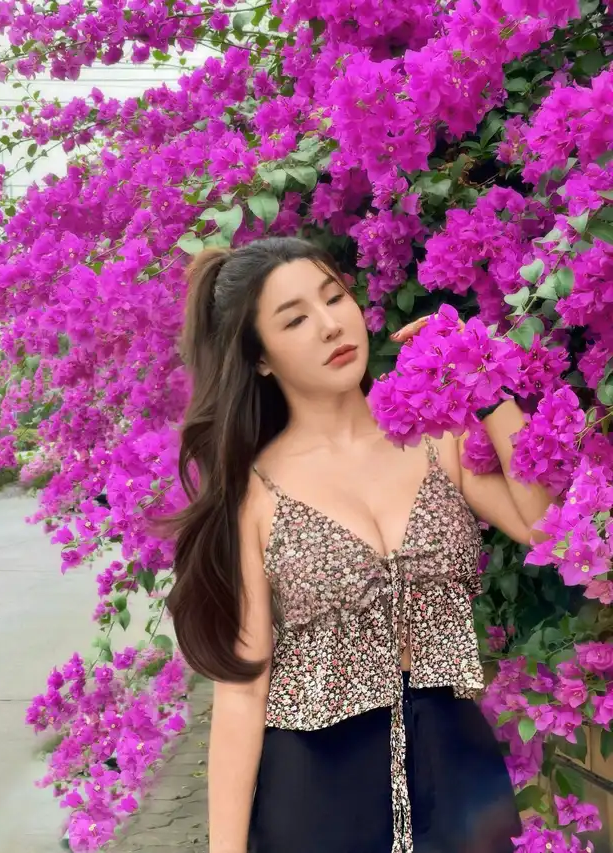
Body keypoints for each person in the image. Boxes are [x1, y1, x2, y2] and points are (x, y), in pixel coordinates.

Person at [167, 236, 554, 853]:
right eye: (294, 319)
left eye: (334, 298)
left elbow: (546, 531)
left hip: (458, 777)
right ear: (260, 358)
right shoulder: (252, 494)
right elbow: (242, 692)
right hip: (317, 796)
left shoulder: (439, 438)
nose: (329, 325)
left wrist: (486, 383)